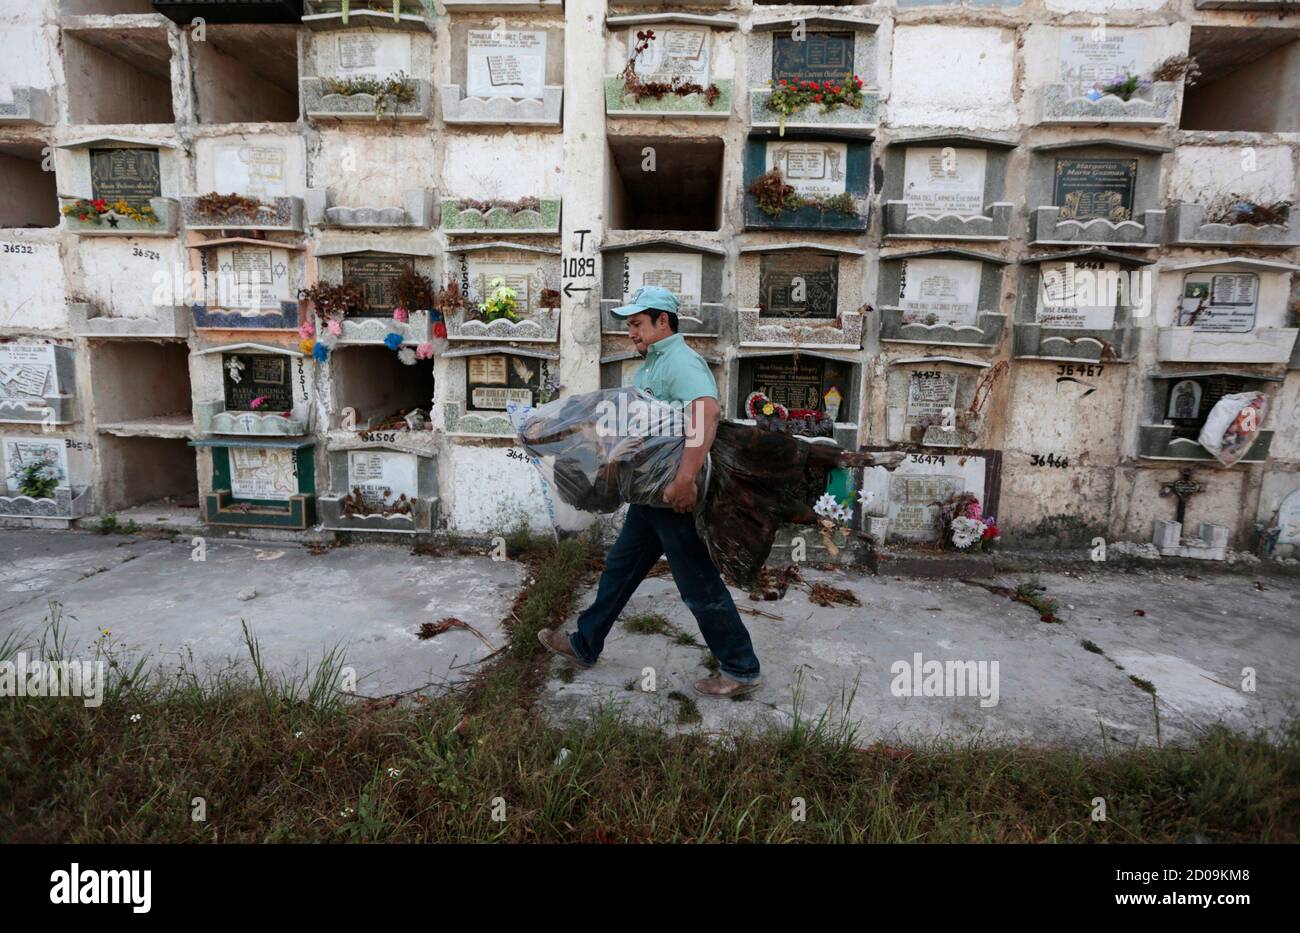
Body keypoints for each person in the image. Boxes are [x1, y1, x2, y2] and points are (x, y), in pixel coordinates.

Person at [537, 285, 762, 698]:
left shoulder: (680, 360)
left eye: (638, 325)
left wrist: (685, 480)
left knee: (698, 584)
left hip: (673, 497)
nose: (632, 334)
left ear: (664, 321)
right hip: (650, 496)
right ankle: (586, 643)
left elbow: (706, 413)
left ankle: (741, 668)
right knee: (620, 569)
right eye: (630, 327)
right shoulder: (652, 366)